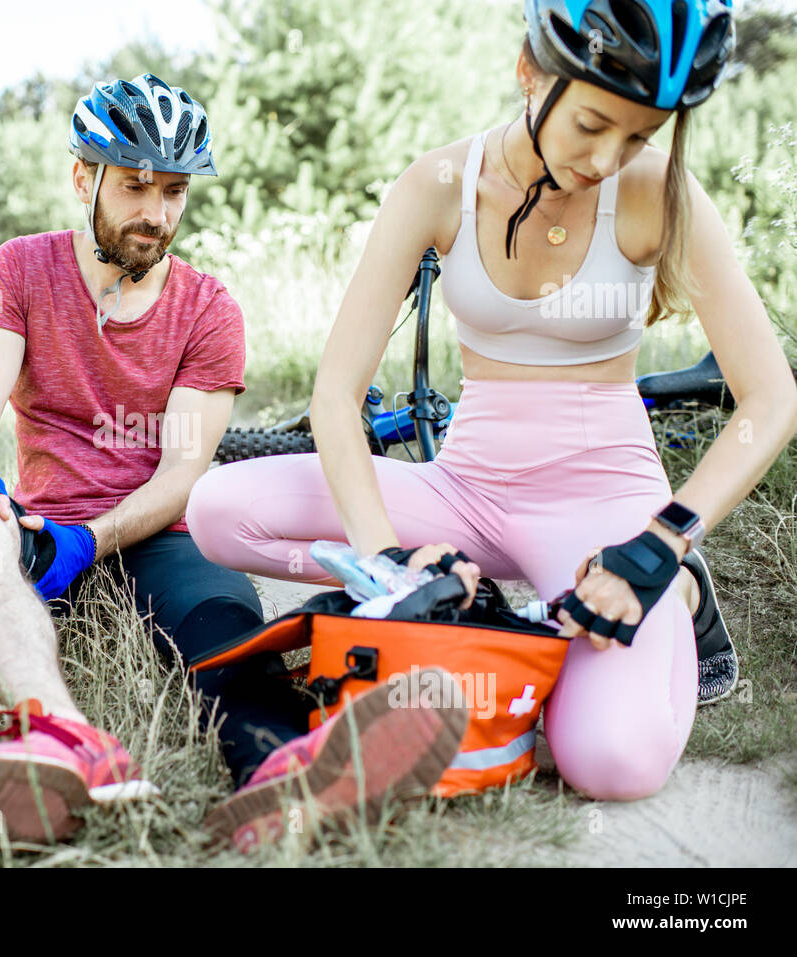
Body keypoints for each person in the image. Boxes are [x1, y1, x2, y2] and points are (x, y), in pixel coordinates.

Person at [186, 0, 797, 845]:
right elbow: (335, 395)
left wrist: (662, 543)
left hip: (601, 514)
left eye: (638, 134)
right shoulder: (440, 183)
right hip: (463, 494)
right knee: (219, 508)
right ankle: (497, 619)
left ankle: (678, 595)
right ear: (529, 72)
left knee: (612, 764)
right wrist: (386, 560)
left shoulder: (659, 190)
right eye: (590, 124)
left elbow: (770, 399)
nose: (607, 158)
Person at [0, 73, 464, 845]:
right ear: (84, 177)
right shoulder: (22, 267)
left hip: (159, 535)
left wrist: (92, 540)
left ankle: (285, 776)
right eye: (135, 186)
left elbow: (181, 475)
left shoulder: (209, 310)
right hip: (39, 527)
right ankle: (62, 740)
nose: (156, 213)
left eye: (175, 191)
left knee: (226, 633)